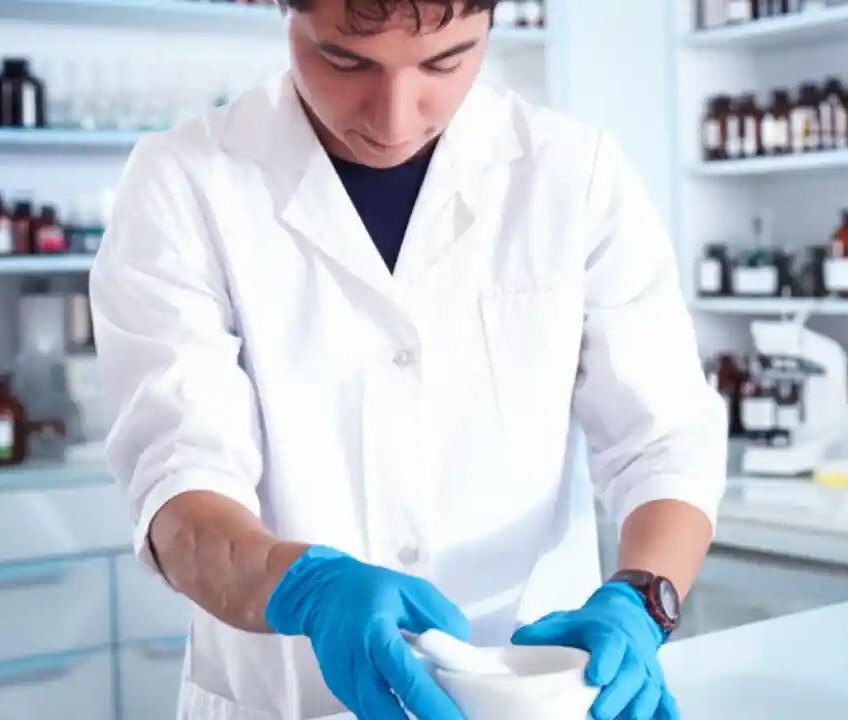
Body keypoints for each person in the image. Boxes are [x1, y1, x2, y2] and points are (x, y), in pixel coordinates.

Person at [89, 1, 726, 719]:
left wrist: (642, 601)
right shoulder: (184, 182)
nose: (394, 119)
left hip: (540, 697)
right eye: (346, 60)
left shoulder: (574, 176)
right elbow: (179, 487)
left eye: (444, 62)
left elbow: (665, 439)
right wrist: (303, 588)